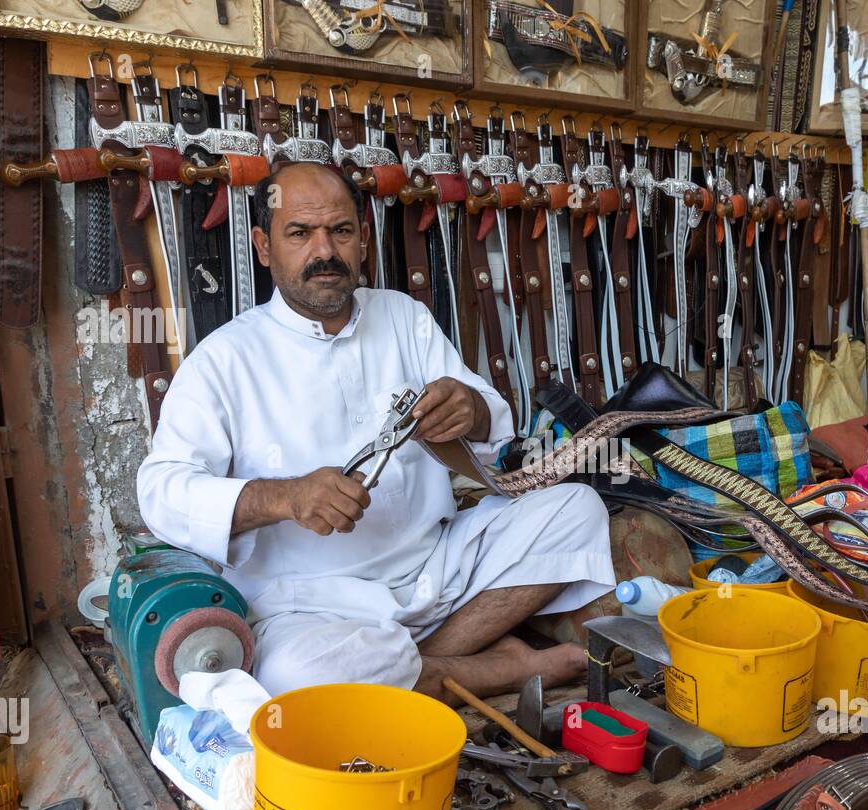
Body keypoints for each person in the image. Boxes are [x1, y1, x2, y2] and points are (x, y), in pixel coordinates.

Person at [137, 162, 615, 702]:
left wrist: (469, 410)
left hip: (437, 565)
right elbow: (160, 492)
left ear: (362, 240)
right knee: (294, 677)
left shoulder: (403, 317)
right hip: (313, 605)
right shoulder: (224, 359)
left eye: (340, 231)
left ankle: (427, 666)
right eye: (300, 233)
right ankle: (491, 670)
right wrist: (285, 497)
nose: (324, 251)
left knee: (577, 510)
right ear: (263, 247)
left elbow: (492, 425)